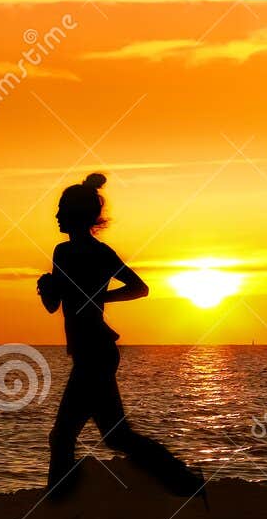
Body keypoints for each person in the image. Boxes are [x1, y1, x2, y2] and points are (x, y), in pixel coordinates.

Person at [37, 173, 205, 500]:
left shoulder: (96, 253)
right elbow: (55, 306)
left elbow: (140, 288)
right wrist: (48, 289)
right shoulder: (62, 253)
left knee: (64, 436)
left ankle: (57, 503)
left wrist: (99, 298)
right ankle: (186, 483)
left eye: (60, 209)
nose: (56, 216)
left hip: (95, 353)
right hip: (91, 352)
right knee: (116, 435)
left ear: (75, 214)